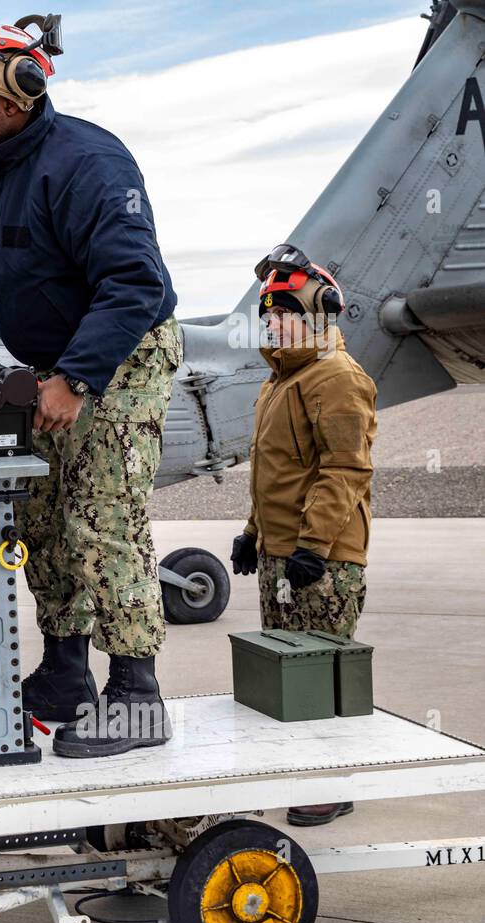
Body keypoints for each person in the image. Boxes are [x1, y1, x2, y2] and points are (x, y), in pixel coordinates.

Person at [0, 20, 180, 757]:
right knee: (45, 515)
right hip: (49, 366)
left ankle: (138, 697)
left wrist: (78, 379)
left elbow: (133, 283)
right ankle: (64, 674)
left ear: (17, 98)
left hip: (120, 356)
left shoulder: (87, 164)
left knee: (102, 517)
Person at [231, 244, 377, 827]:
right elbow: (277, 471)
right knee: (288, 678)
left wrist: (314, 547)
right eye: (268, 311)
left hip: (322, 558)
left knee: (320, 675)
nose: (273, 321)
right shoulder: (279, 380)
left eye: (284, 310)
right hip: (280, 554)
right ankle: (298, 773)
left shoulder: (337, 378)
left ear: (318, 312)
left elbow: (345, 470)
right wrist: (252, 534)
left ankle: (332, 784)